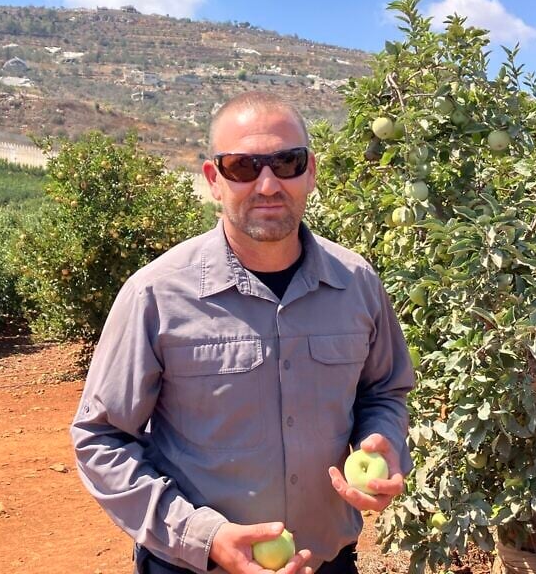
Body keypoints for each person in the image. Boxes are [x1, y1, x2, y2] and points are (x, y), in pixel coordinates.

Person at [71, 92, 414, 574]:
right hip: (192, 566)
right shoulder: (156, 294)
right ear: (214, 179)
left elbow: (385, 390)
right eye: (242, 166)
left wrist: (381, 439)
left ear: (310, 172)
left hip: (327, 562)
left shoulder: (356, 283)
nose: (268, 184)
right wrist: (204, 537)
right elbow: (100, 438)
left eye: (287, 162)